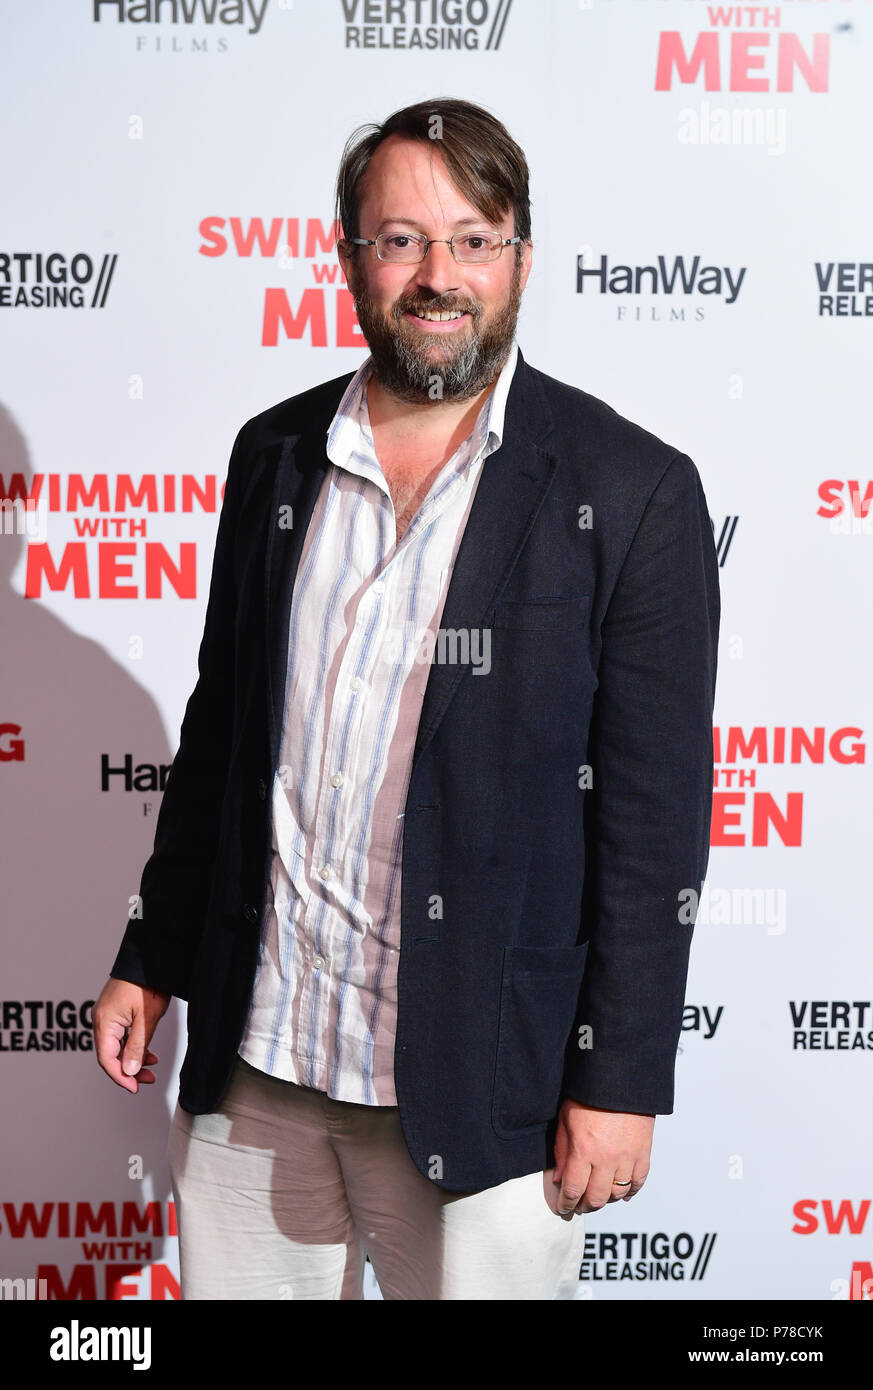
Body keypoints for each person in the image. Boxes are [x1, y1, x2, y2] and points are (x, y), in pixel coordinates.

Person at [93, 97, 720, 1300]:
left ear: (522, 259)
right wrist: (151, 954)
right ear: (349, 259)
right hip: (258, 1068)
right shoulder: (271, 455)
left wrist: (623, 1076)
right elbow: (224, 734)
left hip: (491, 1097)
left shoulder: (632, 493)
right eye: (400, 240)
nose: (440, 276)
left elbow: (653, 823)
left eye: (474, 239)